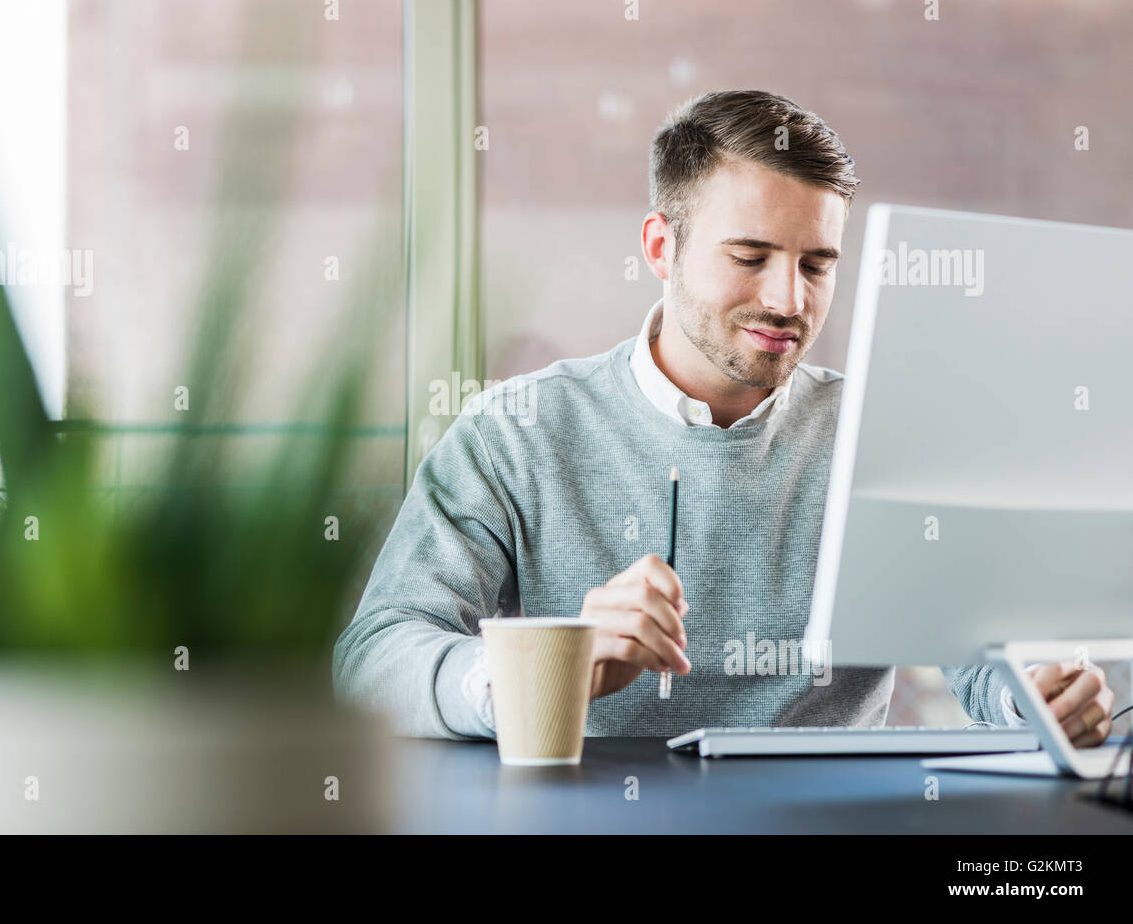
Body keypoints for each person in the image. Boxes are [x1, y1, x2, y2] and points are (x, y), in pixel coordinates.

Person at [332, 90, 1115, 743]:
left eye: (816, 265)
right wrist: (545, 670)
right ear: (659, 246)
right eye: (750, 257)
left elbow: (979, 661)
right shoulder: (515, 430)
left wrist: (1034, 696)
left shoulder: (881, 429)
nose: (788, 301)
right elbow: (374, 656)